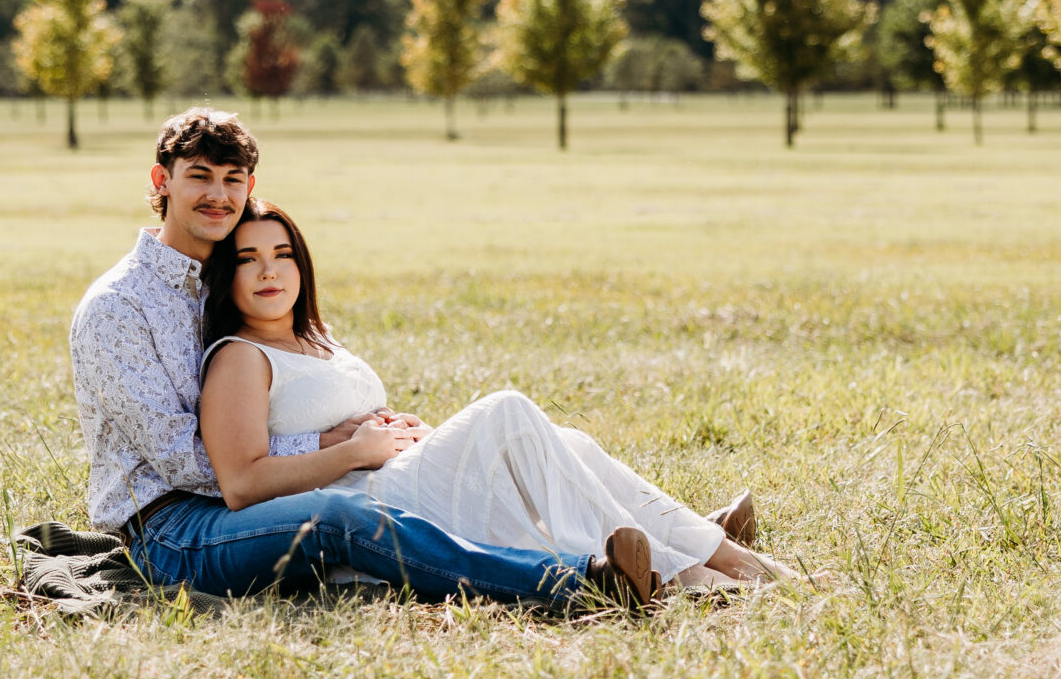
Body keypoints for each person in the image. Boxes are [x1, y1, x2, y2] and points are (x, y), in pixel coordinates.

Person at [70, 108, 659, 607]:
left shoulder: (221, 283)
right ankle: (581, 584)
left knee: (510, 451)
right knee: (338, 515)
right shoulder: (119, 307)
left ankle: (684, 550)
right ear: (162, 180)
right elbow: (192, 466)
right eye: (200, 177)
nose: (219, 195)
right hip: (175, 532)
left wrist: (367, 437)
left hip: (244, 499)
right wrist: (332, 448)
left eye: (233, 179)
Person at [199, 202, 781, 591]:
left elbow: (344, 423)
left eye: (282, 255)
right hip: (360, 503)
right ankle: (691, 570)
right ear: (228, 277)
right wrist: (354, 452)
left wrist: (400, 432)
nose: (269, 272)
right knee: (506, 412)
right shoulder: (239, 358)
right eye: (248, 260)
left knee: (569, 441)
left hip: (389, 471)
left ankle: (713, 553)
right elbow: (242, 484)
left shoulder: (312, 338)